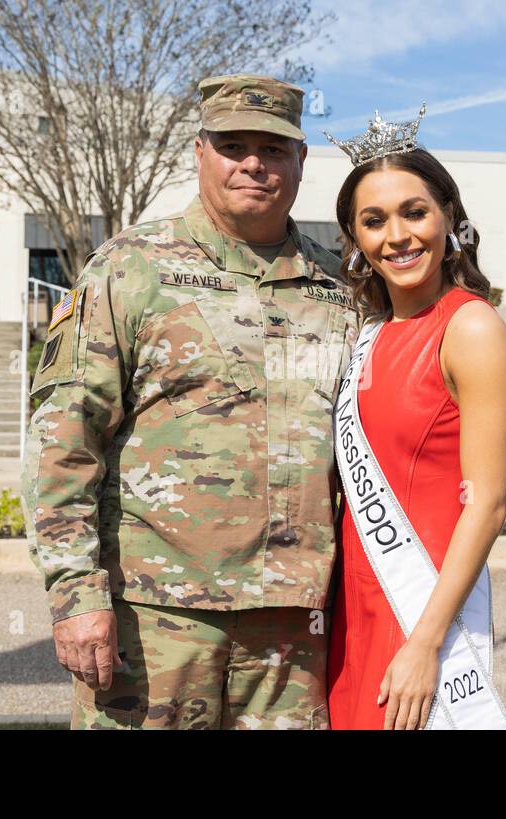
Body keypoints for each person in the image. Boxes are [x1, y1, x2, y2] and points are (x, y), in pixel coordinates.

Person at [21, 74, 356, 730]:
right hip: (156, 623)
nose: (255, 163)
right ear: (199, 152)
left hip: (292, 631)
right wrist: (76, 593)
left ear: (301, 160)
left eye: (275, 148)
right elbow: (63, 441)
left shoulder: (338, 288)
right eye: (234, 145)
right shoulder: (130, 269)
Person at [323, 108, 506, 729]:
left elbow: (486, 505)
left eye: (415, 212)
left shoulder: (472, 327)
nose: (398, 236)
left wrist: (427, 644)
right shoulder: (369, 333)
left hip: (422, 607)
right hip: (351, 609)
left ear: (449, 218)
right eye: (374, 221)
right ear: (355, 242)